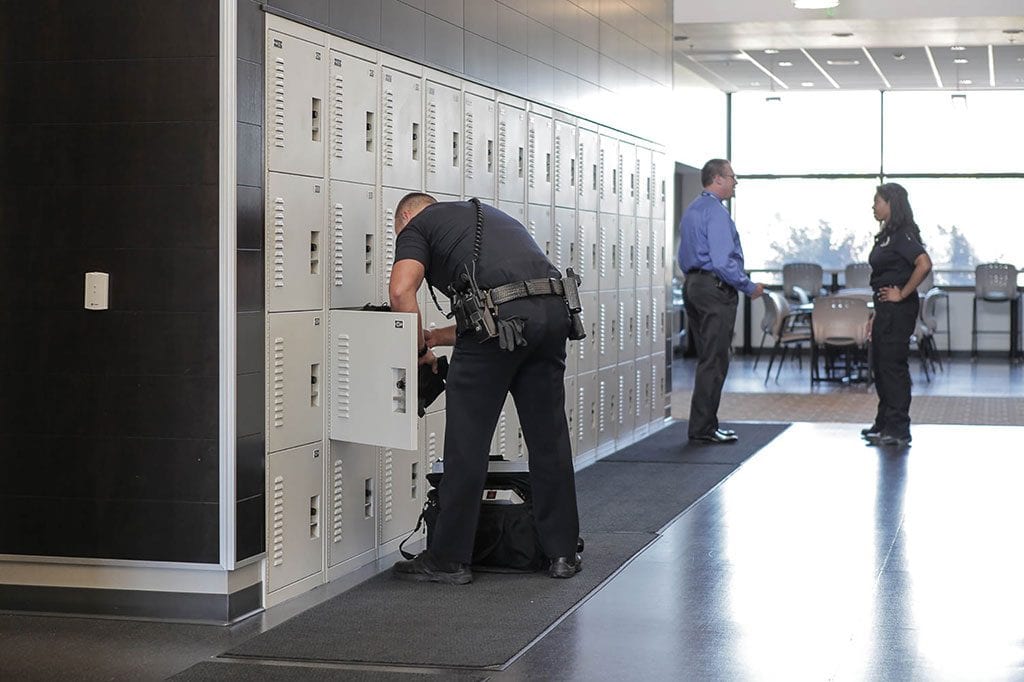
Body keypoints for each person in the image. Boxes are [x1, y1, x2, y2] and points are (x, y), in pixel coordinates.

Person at [388, 193, 581, 584]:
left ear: (406, 216)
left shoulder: (417, 226)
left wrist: (416, 351)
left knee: (467, 443)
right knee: (549, 440)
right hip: (552, 312)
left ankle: (448, 558)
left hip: (501, 324)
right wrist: (433, 338)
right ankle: (560, 552)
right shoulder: (487, 216)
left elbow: (400, 292)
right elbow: (498, 305)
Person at [678, 159, 764, 444]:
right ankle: (703, 428)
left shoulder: (692, 210)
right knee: (715, 361)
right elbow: (723, 262)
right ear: (717, 179)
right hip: (714, 290)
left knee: (707, 359)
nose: (735, 182)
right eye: (732, 177)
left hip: (693, 285)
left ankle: (704, 425)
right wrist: (748, 286)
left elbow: (684, 256)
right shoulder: (716, 212)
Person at [862, 183, 932, 448]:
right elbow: (882, 277)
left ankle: (899, 429)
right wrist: (877, 315)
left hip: (898, 309)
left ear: (891, 203)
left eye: (877, 201)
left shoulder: (903, 234)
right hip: (885, 310)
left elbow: (924, 264)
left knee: (893, 368)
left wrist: (902, 293)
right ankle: (884, 423)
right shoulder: (887, 235)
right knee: (881, 366)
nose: (873, 206)